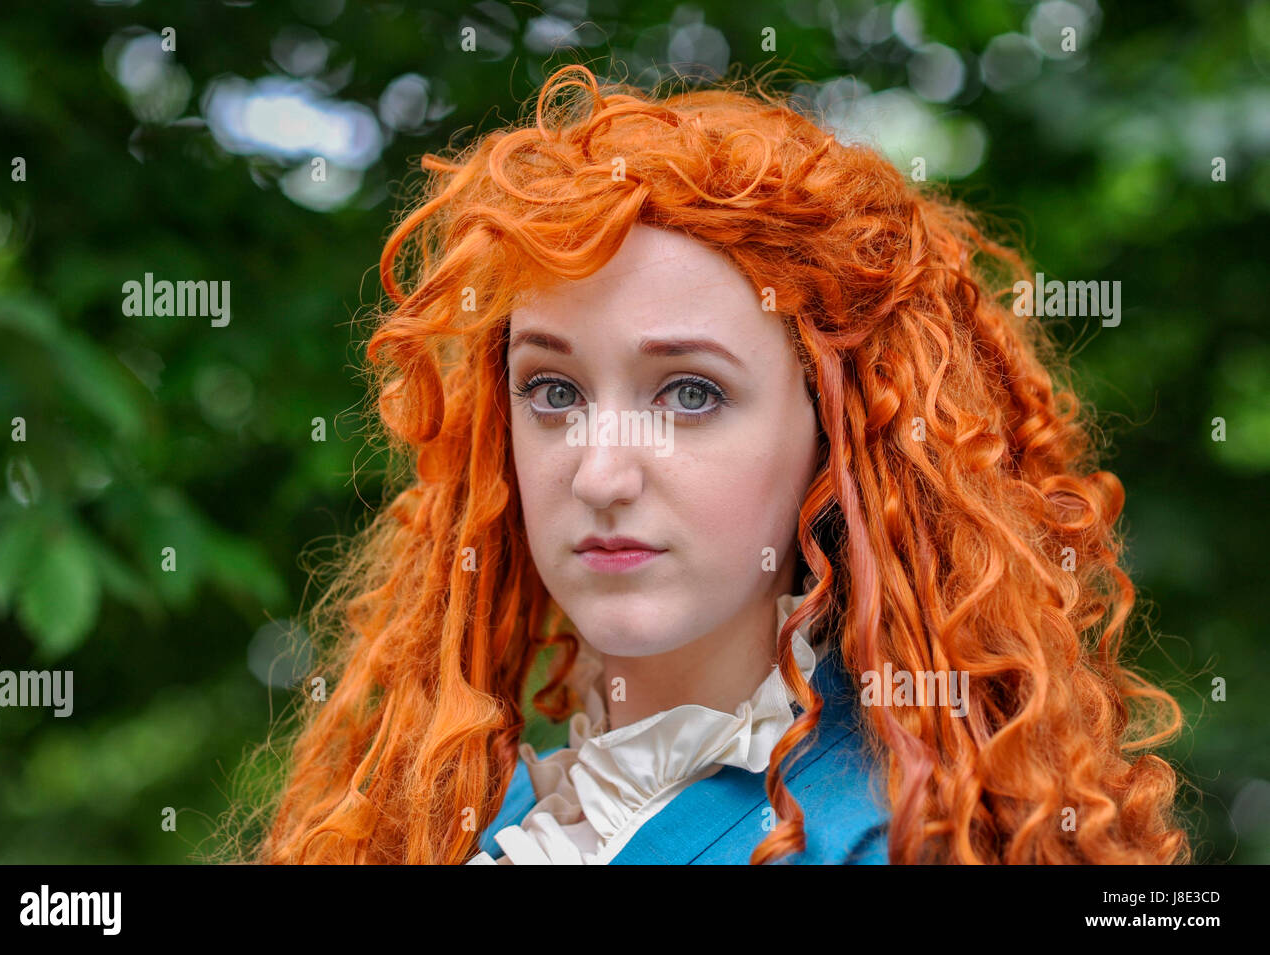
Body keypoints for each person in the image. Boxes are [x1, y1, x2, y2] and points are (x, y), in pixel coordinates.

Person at [245, 63, 1191, 865]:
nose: (601, 474)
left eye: (689, 393)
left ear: (836, 437)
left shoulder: (893, 835)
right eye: (553, 391)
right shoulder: (456, 821)